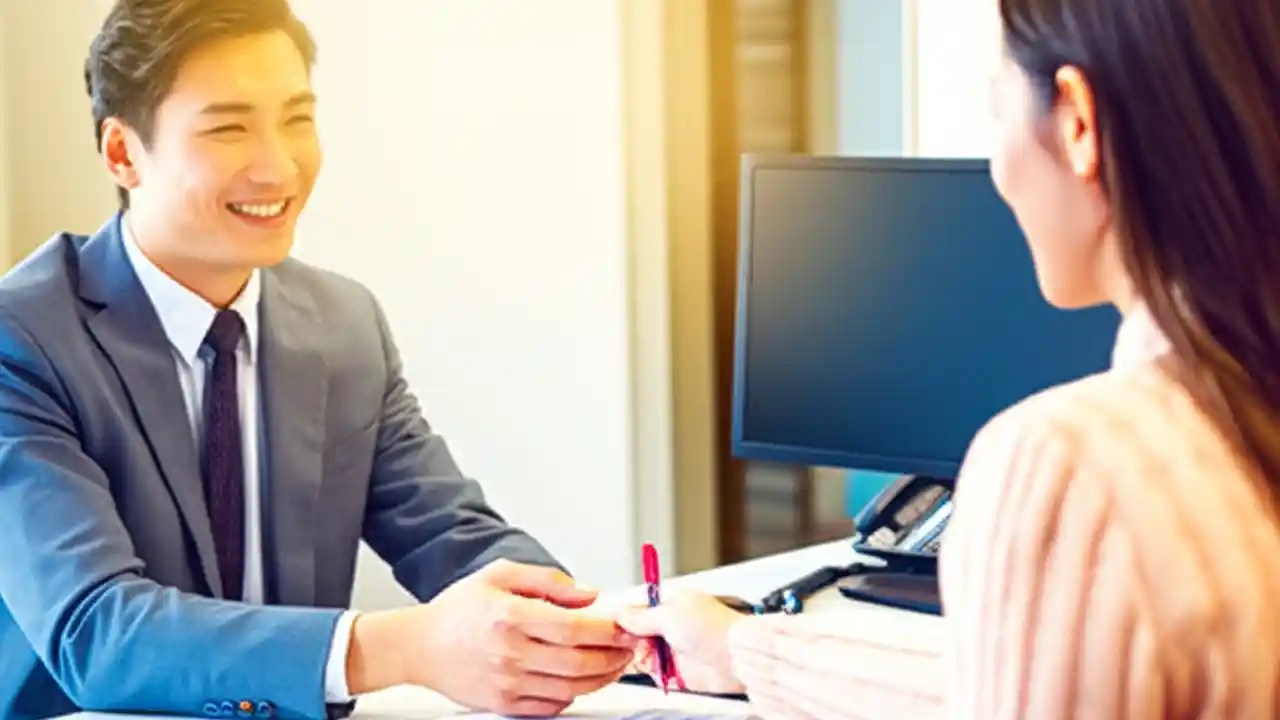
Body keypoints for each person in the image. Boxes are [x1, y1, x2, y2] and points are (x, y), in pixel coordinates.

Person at [618, 0, 1280, 717]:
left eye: (998, 109)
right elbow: (1031, 684)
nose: (997, 169)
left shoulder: (1071, 464)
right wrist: (747, 652)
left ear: (1077, 122)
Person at [0, 1, 637, 718]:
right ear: (122, 153)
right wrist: (408, 647)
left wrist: (590, 623)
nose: (279, 165)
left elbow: (447, 531)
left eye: (297, 118)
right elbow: (98, 634)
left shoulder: (342, 324)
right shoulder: (21, 337)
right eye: (229, 127)